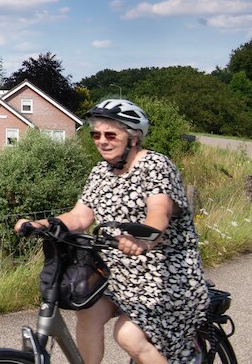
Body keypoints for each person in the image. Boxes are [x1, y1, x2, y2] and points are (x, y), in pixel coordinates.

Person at [15, 98, 207, 364]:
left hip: (166, 276)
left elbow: (159, 212)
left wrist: (142, 239)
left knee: (127, 335)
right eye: (96, 134)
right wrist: (42, 225)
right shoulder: (100, 172)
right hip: (117, 274)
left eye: (110, 134)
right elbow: (80, 216)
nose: (101, 140)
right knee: (87, 311)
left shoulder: (155, 166)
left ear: (134, 137)